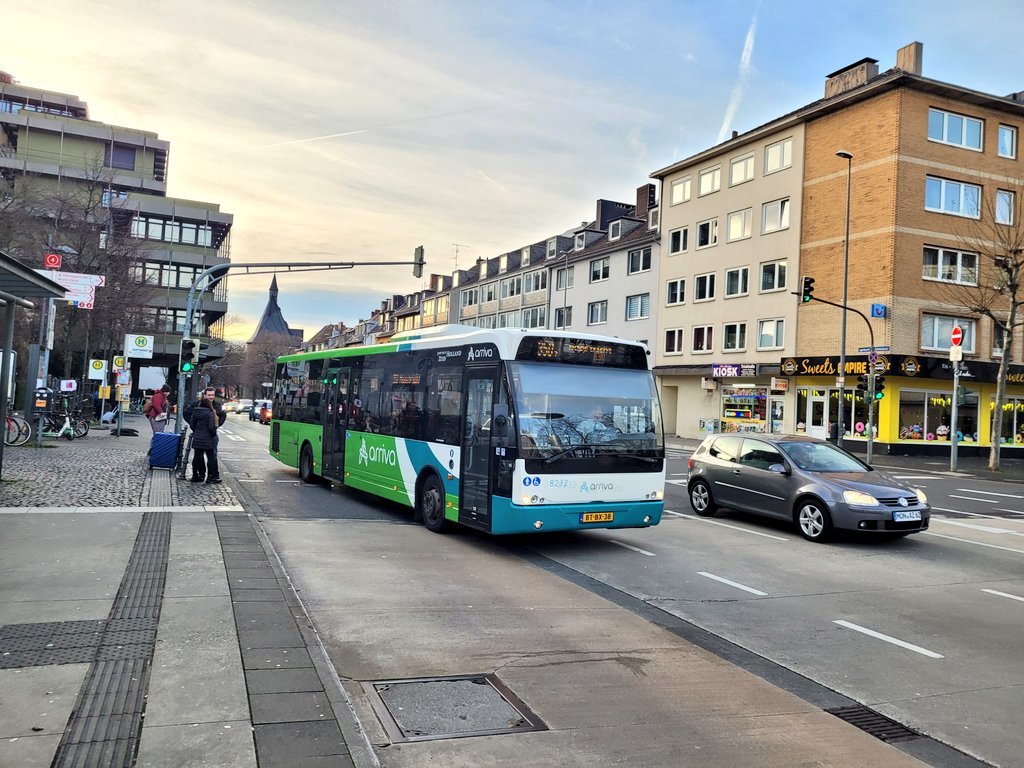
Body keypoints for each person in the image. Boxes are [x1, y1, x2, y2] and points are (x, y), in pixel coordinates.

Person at [189, 394, 222, 484]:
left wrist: (197, 432)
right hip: (208, 439)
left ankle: (196, 476)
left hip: (197, 438)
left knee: (197, 457)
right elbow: (211, 427)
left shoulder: (195, 412)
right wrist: (213, 434)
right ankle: (211, 477)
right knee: (211, 458)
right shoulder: (209, 413)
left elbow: (192, 425)